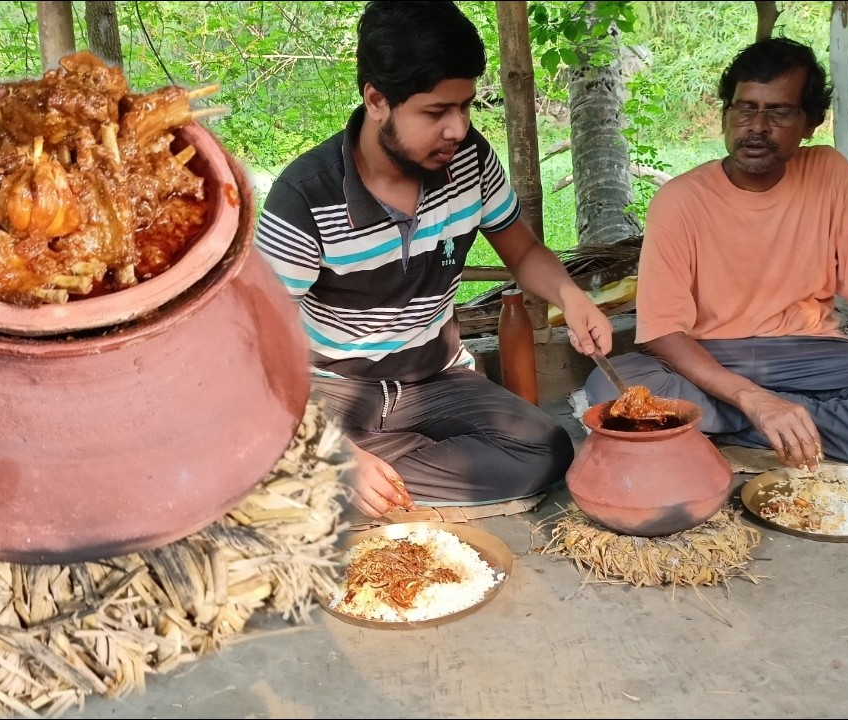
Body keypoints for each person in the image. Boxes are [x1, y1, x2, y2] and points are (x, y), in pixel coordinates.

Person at [255, 1, 613, 519]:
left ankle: (346, 478)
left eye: (465, 106)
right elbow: (255, 349)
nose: (458, 129)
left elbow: (523, 251)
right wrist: (334, 448)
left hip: (436, 382)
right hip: (333, 390)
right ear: (377, 100)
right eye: (436, 112)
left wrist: (570, 296)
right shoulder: (306, 197)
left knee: (546, 451)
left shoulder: (470, 162)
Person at [584, 36, 848, 472]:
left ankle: (747, 422)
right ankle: (776, 417)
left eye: (779, 112)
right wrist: (753, 398)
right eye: (745, 109)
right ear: (725, 114)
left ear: (810, 122)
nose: (757, 127)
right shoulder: (679, 201)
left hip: (812, 353)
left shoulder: (829, 174)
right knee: (612, 388)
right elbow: (662, 333)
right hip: (713, 354)